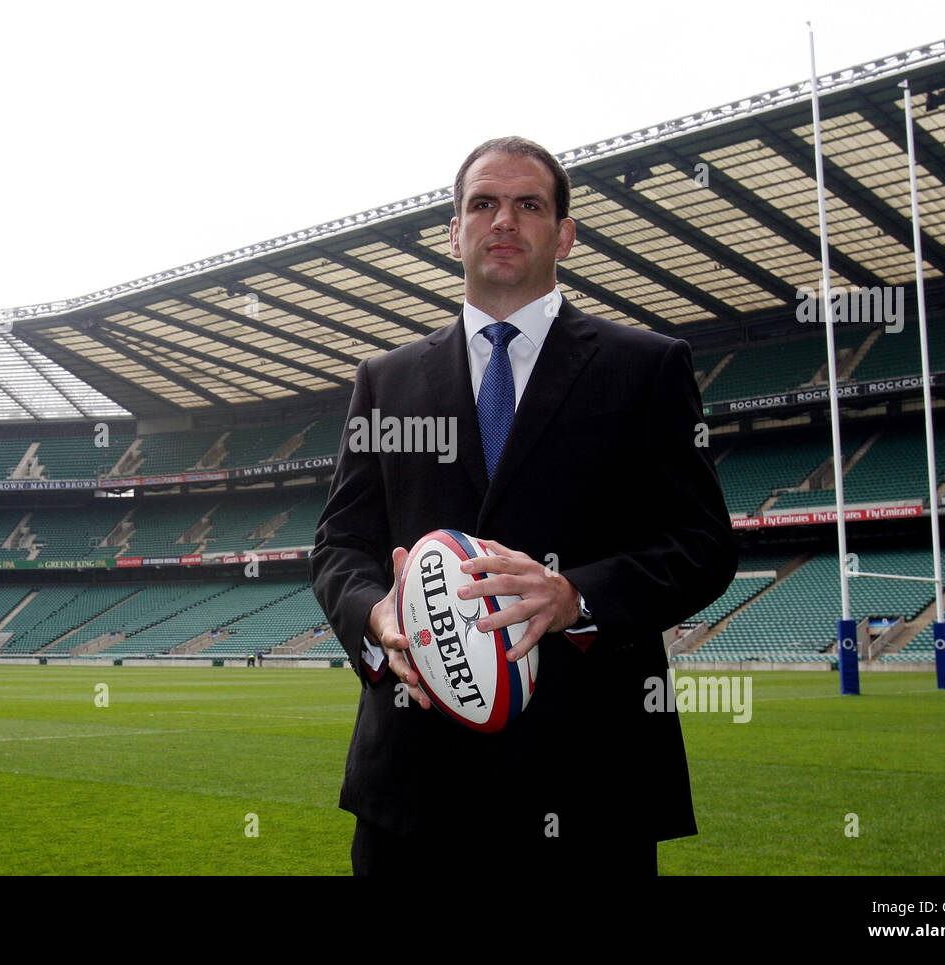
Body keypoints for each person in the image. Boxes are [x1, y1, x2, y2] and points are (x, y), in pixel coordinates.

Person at [310, 135, 737, 875]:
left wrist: (576, 595)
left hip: (589, 783)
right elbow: (339, 547)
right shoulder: (385, 380)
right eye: (483, 204)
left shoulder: (647, 366)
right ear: (454, 232)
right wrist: (381, 616)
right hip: (413, 793)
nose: (503, 221)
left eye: (528, 205)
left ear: (564, 235)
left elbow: (703, 544)